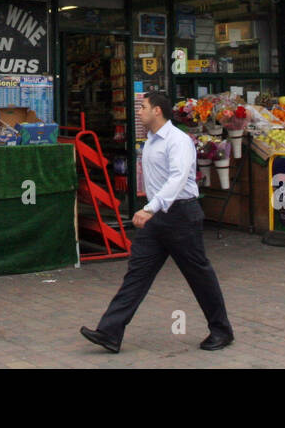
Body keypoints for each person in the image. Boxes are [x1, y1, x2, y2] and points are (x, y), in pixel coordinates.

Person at [80, 91, 234, 353]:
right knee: (137, 274)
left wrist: (150, 208)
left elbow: (177, 179)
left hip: (181, 216)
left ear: (158, 111)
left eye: (143, 107)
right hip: (157, 218)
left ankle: (222, 331)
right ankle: (110, 332)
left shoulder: (178, 141)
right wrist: (151, 210)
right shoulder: (151, 141)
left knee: (199, 275)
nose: (139, 112)